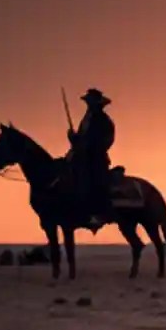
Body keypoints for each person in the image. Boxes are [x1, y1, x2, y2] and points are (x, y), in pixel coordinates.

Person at [67, 88, 116, 229]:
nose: (89, 105)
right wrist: (74, 138)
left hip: (96, 157)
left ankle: (98, 212)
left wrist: (89, 146)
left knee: (93, 180)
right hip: (81, 155)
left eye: (91, 102)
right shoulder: (86, 118)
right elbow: (82, 138)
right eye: (89, 102)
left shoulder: (104, 121)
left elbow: (107, 139)